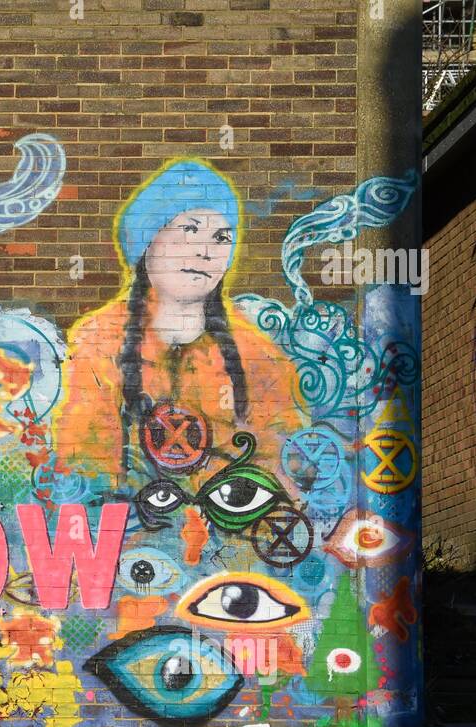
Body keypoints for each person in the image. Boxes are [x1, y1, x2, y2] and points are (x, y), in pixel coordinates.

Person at [52, 159, 302, 485]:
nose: (205, 252)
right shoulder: (97, 342)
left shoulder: (258, 355)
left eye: (222, 238)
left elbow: (283, 466)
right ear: (148, 241)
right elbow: (83, 468)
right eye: (190, 230)